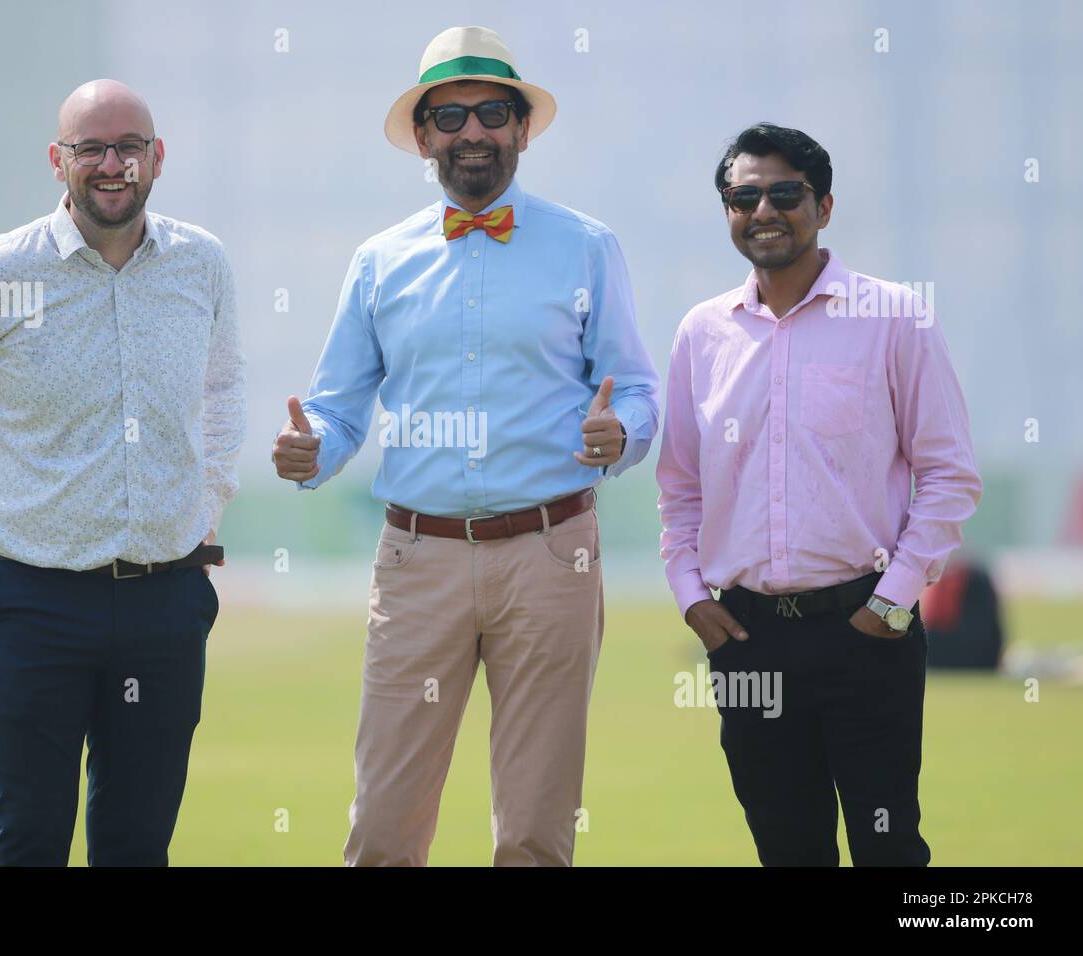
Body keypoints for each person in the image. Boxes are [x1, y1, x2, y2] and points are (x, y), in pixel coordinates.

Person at [273, 26, 660, 866]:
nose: (472, 132)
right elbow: (339, 410)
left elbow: (635, 386)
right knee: (383, 828)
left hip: (553, 555)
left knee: (533, 831)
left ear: (522, 128)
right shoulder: (380, 262)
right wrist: (315, 452)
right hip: (419, 560)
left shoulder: (586, 246)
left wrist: (620, 431)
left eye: (493, 112)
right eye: (450, 117)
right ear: (423, 137)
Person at [0, 79, 245, 866]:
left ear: (157, 157)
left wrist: (208, 502)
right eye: (91, 149)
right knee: (27, 844)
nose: (113, 165)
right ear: (58, 161)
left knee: (138, 847)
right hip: (36, 603)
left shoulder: (201, 263)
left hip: (167, 602)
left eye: (129, 148)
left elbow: (221, 390)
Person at [656, 122, 981, 866]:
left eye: (784, 193)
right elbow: (679, 488)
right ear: (728, 211)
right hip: (744, 639)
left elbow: (947, 473)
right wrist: (692, 600)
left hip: (867, 628)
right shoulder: (702, 334)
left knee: (889, 849)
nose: (763, 209)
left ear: (824, 206)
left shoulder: (895, 317)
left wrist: (893, 599)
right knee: (786, 848)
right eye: (743, 196)